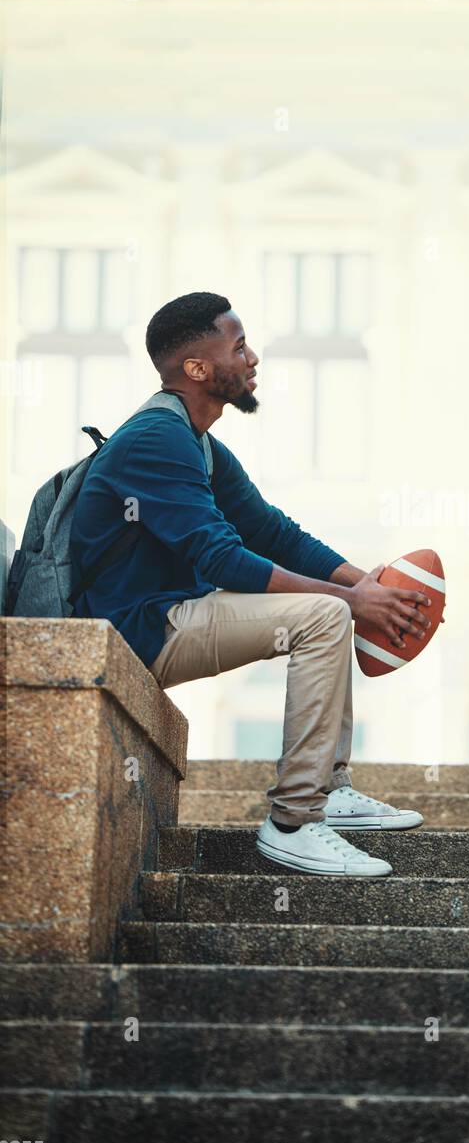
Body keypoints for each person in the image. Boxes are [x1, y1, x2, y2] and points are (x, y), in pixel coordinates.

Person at [69, 292, 433, 878]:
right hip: (137, 633)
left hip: (172, 618)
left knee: (329, 607)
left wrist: (364, 583)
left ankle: (329, 790)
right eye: (238, 347)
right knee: (323, 614)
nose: (253, 358)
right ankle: (293, 822)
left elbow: (273, 533)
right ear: (196, 368)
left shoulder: (201, 444)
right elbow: (224, 560)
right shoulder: (154, 439)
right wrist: (350, 601)